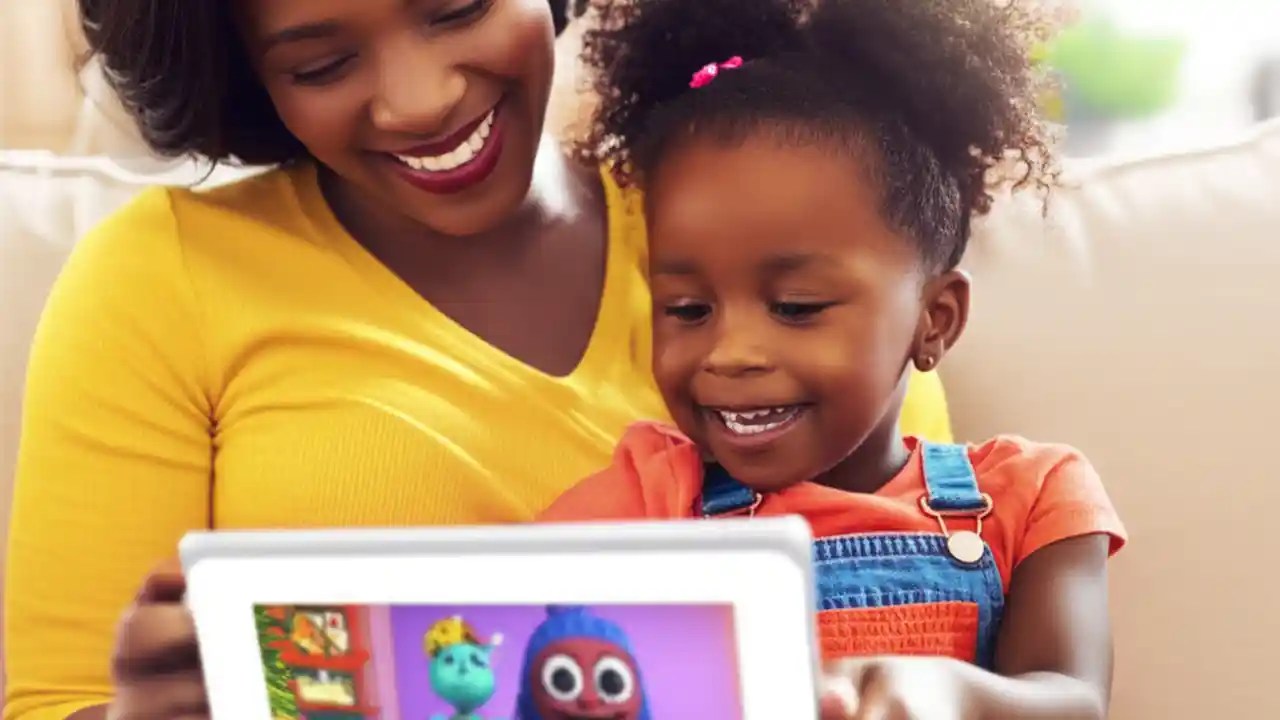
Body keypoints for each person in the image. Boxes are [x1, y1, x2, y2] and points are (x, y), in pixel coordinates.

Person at [1, 1, 954, 719]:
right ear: (250, 77)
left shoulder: (771, 221)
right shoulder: (161, 275)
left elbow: (938, 595)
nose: (424, 99)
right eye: (324, 62)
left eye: (457, 6)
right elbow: (63, 699)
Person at [539, 0, 1128, 718]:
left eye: (796, 307)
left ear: (933, 320)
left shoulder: (1032, 497)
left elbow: (1072, 701)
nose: (731, 354)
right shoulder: (650, 499)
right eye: (689, 310)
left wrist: (950, 692)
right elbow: (502, 625)